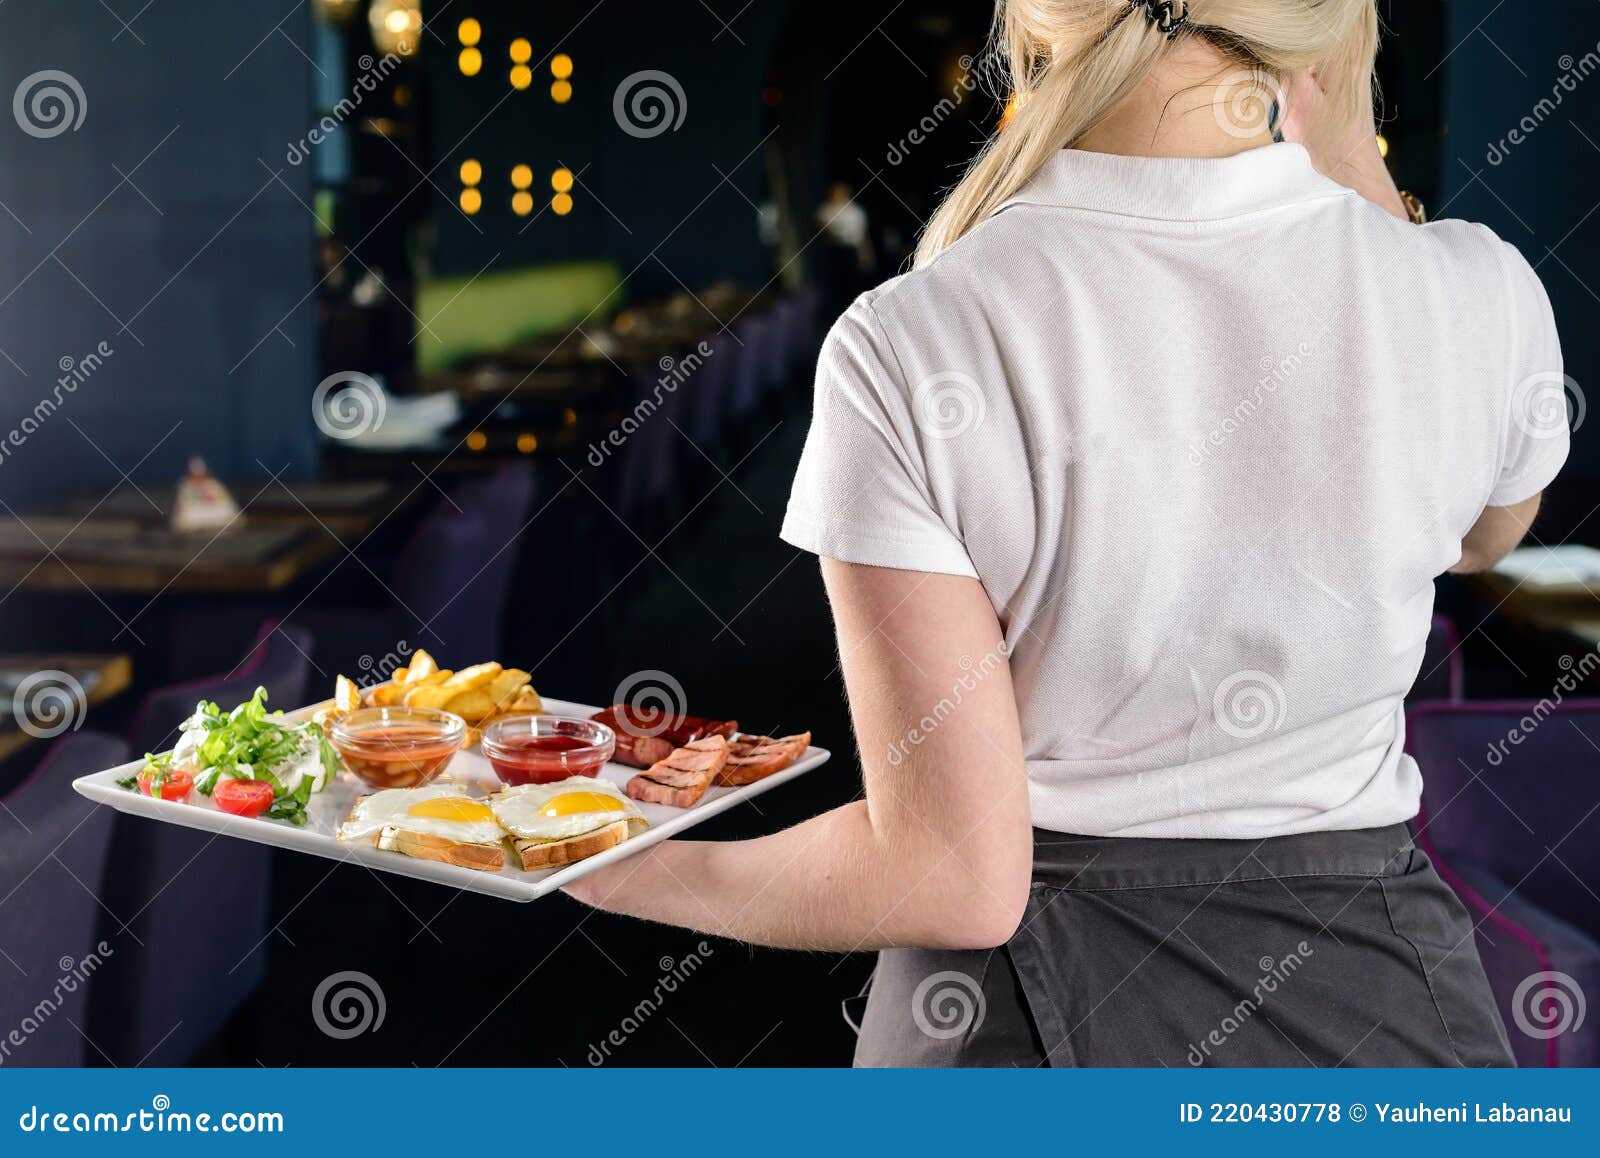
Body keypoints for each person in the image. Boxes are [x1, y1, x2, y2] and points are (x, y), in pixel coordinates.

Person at [566, 0, 1565, 1067]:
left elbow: (950, 878)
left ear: (1032, 27)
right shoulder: (1476, 287)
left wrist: (601, 857)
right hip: (1379, 1017)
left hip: (1012, 1031)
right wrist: (1364, 183)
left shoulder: (912, 339)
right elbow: (1486, 535)